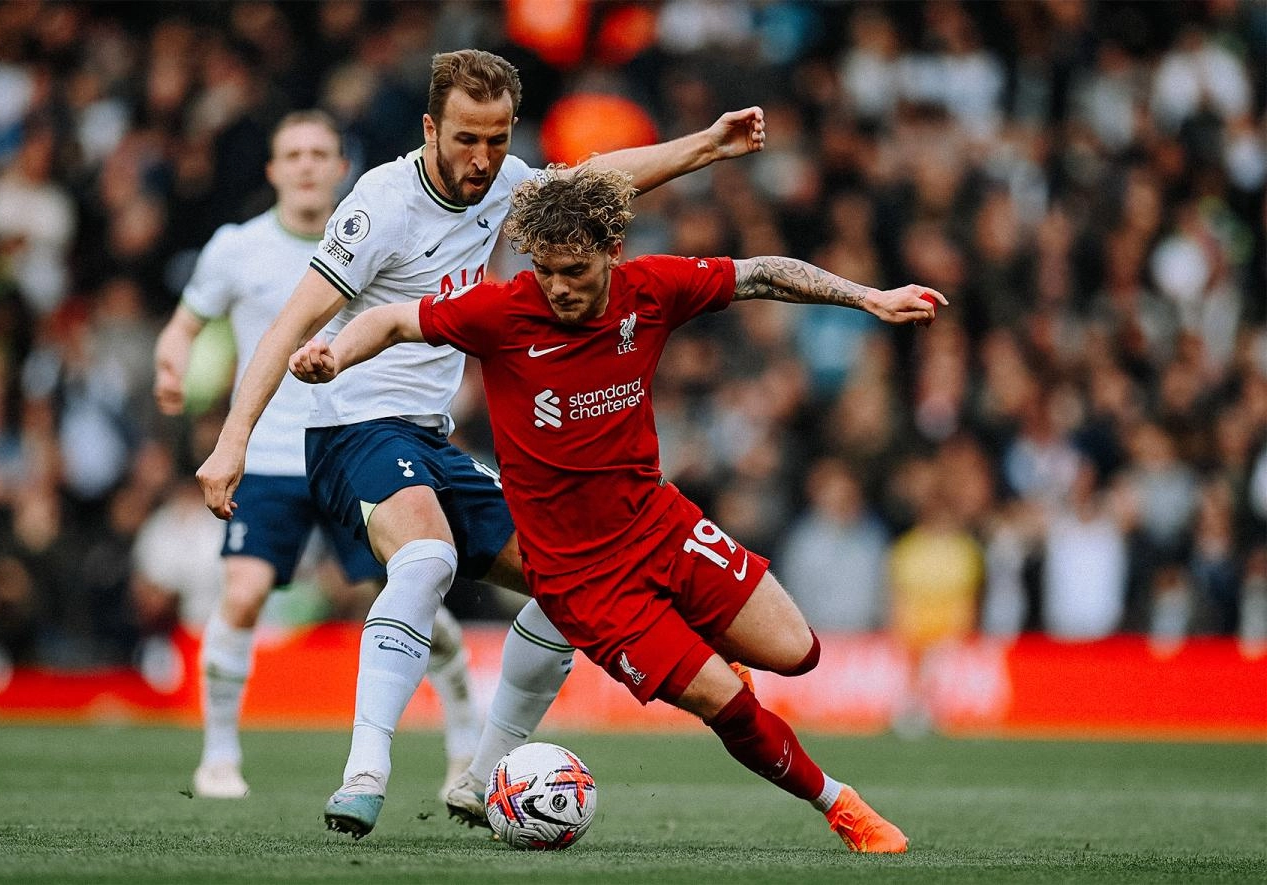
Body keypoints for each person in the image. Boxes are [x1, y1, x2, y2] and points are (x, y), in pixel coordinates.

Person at [195, 49, 767, 837]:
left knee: (571, 590)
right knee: (425, 557)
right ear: (431, 127)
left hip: (431, 437)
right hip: (350, 427)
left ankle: (477, 775)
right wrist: (232, 442)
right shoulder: (379, 205)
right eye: (466, 139)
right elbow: (289, 323)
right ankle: (365, 770)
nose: (482, 159)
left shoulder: (503, 184)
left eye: (497, 139)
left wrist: (706, 145)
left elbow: (598, 182)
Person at [291, 165, 946, 852]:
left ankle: (700, 645)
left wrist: (868, 297)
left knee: (799, 652)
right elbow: (394, 318)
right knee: (728, 704)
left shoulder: (653, 290)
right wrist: (334, 354)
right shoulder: (503, 312)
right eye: (545, 269)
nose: (559, 287)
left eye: (574, 269)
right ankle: (840, 805)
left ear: (612, 250)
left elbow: (759, 274)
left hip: (661, 524)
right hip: (585, 585)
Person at [154, 111, 480, 800]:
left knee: (412, 593)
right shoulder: (235, 249)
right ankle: (217, 757)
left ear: (341, 168)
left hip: (352, 439)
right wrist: (171, 365)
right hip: (271, 456)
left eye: (319, 153)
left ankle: (464, 741)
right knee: (240, 594)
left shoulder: (375, 231)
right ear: (272, 170)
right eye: (292, 153)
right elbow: (183, 324)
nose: (305, 164)